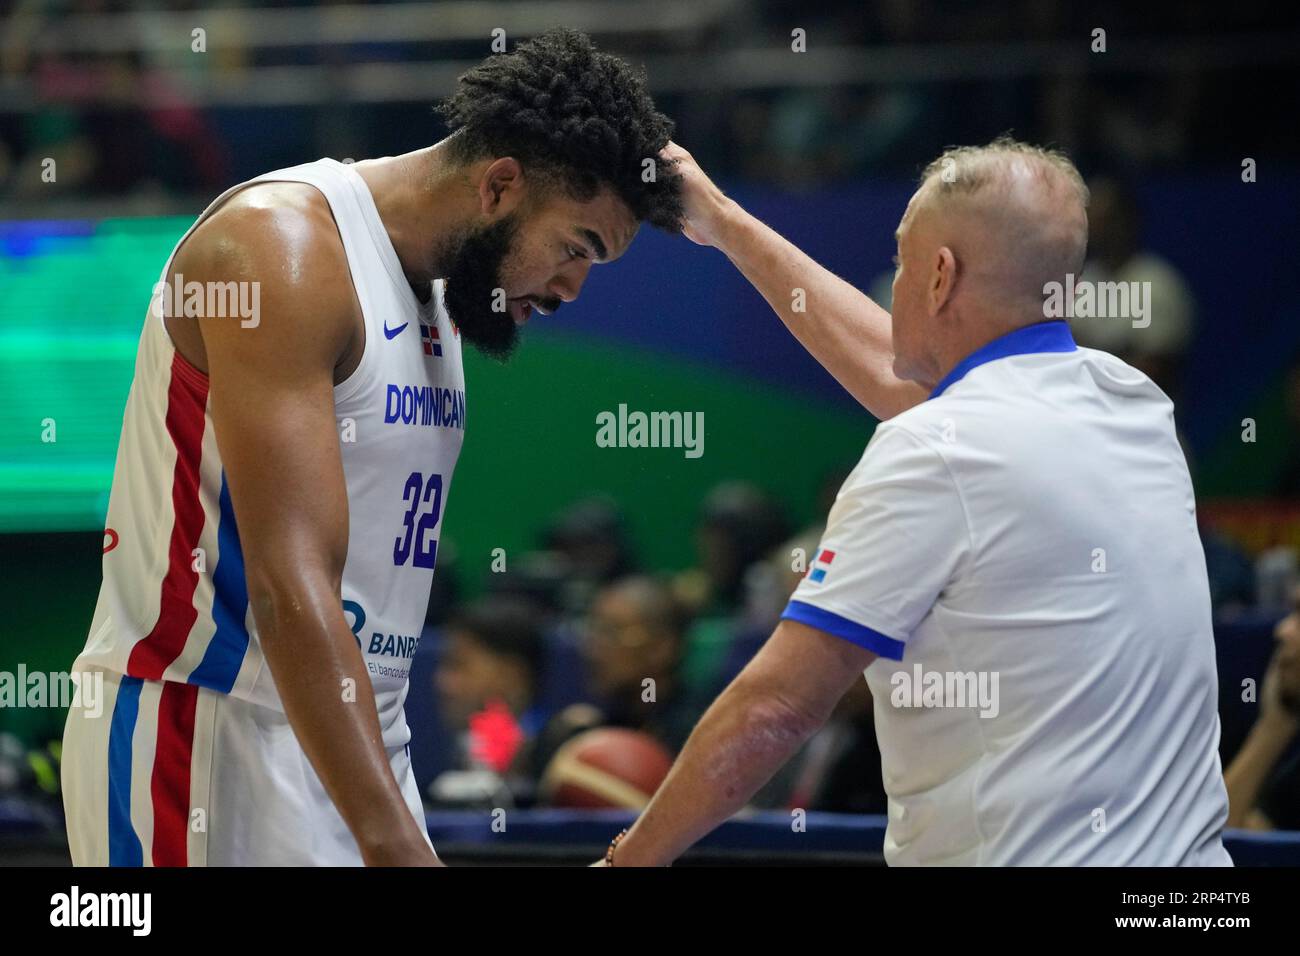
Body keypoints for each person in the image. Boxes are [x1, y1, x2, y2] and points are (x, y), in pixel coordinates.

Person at [59, 29, 682, 867]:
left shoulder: (433, 287)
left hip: (354, 736)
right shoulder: (281, 250)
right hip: (205, 725)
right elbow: (288, 588)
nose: (571, 287)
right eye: (578, 247)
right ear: (500, 185)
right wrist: (393, 843)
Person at [599, 137, 1232, 866]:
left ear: (939, 276)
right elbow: (933, 394)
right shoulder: (1136, 406)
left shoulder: (933, 451)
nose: (889, 284)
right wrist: (725, 223)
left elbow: (779, 707)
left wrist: (628, 861)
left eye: (901, 261)